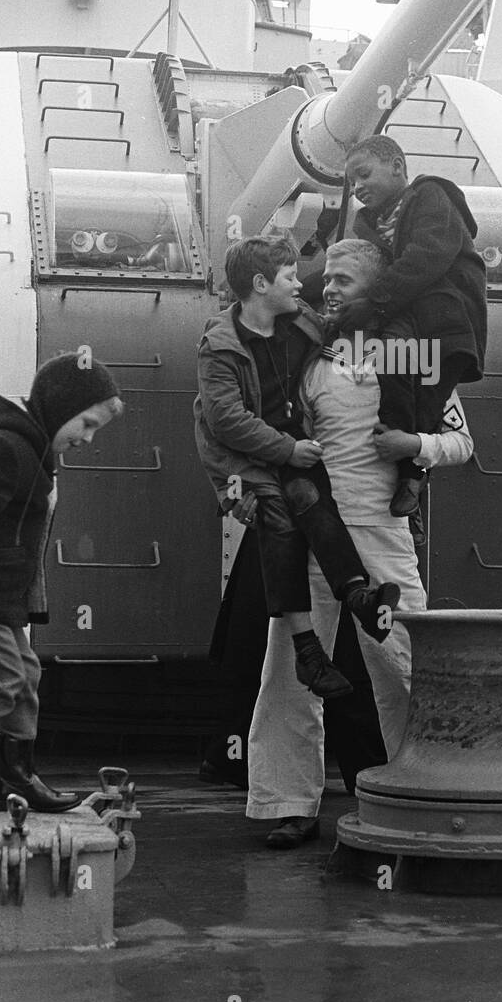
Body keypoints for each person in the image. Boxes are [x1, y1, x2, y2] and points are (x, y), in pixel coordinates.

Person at [245, 237, 474, 849]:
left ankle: (423, 791)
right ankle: (285, 803)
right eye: (326, 281)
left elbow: (462, 442)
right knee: (291, 669)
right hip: (316, 538)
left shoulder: (416, 357)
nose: (329, 290)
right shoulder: (310, 362)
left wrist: (413, 448)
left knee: (405, 666)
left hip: (382, 536)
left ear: (380, 287)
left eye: (344, 280)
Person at [194, 236, 401, 702]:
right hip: (249, 456)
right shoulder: (220, 344)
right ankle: (309, 646)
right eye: (293, 276)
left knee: (312, 502)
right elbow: (225, 421)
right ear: (261, 284)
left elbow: (346, 336)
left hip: (289, 447)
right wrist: (286, 453)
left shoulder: (301, 325)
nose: (305, 285)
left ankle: (356, 598)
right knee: (283, 520)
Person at [0, 353, 124, 816]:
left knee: (26, 676)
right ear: (60, 407)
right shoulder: (5, 447)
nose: (87, 438)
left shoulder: (31, 452)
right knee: (2, 678)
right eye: (85, 424)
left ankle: (15, 778)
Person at [339, 135, 487, 518]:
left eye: (364, 174)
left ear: (398, 166)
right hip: (406, 314)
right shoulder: (367, 222)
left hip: (446, 319)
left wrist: (370, 303)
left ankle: (412, 474)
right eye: (351, 182)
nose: (356, 187)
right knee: (397, 375)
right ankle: (409, 476)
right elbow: (363, 266)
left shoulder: (431, 196)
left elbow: (427, 257)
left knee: (422, 397)